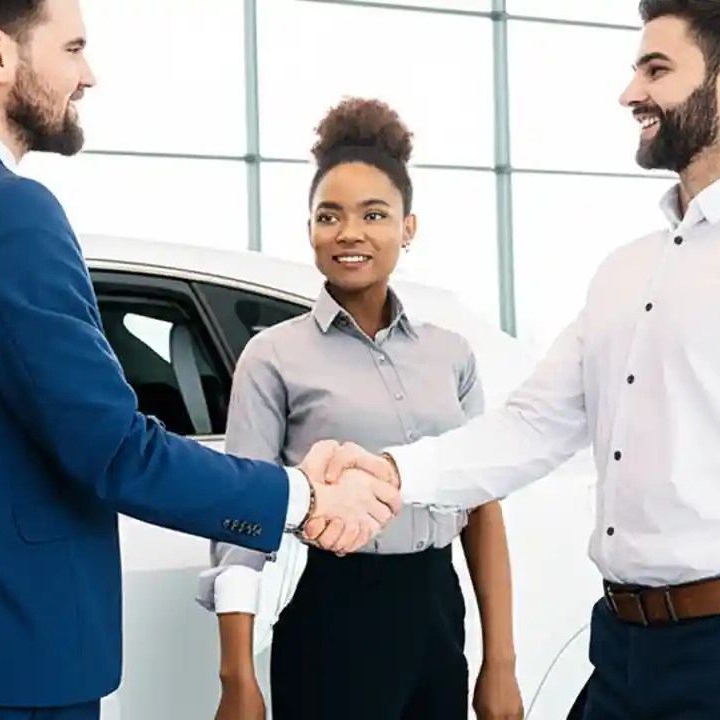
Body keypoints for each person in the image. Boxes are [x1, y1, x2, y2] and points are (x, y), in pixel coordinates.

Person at [313, 1, 720, 719]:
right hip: (619, 647)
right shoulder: (627, 270)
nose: (629, 93)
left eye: (656, 69)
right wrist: (396, 473)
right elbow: (531, 425)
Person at [0, 2, 402, 720]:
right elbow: (112, 449)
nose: (88, 75)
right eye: (71, 48)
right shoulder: (9, 211)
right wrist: (303, 499)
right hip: (7, 662)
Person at [195, 98, 525, 720]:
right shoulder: (273, 357)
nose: (350, 233)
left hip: (436, 604)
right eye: (330, 216)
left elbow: (482, 506)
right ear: (311, 228)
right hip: (330, 611)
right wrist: (236, 677)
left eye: (374, 214)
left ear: (408, 227)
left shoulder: (450, 355)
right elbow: (239, 519)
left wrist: (500, 662)